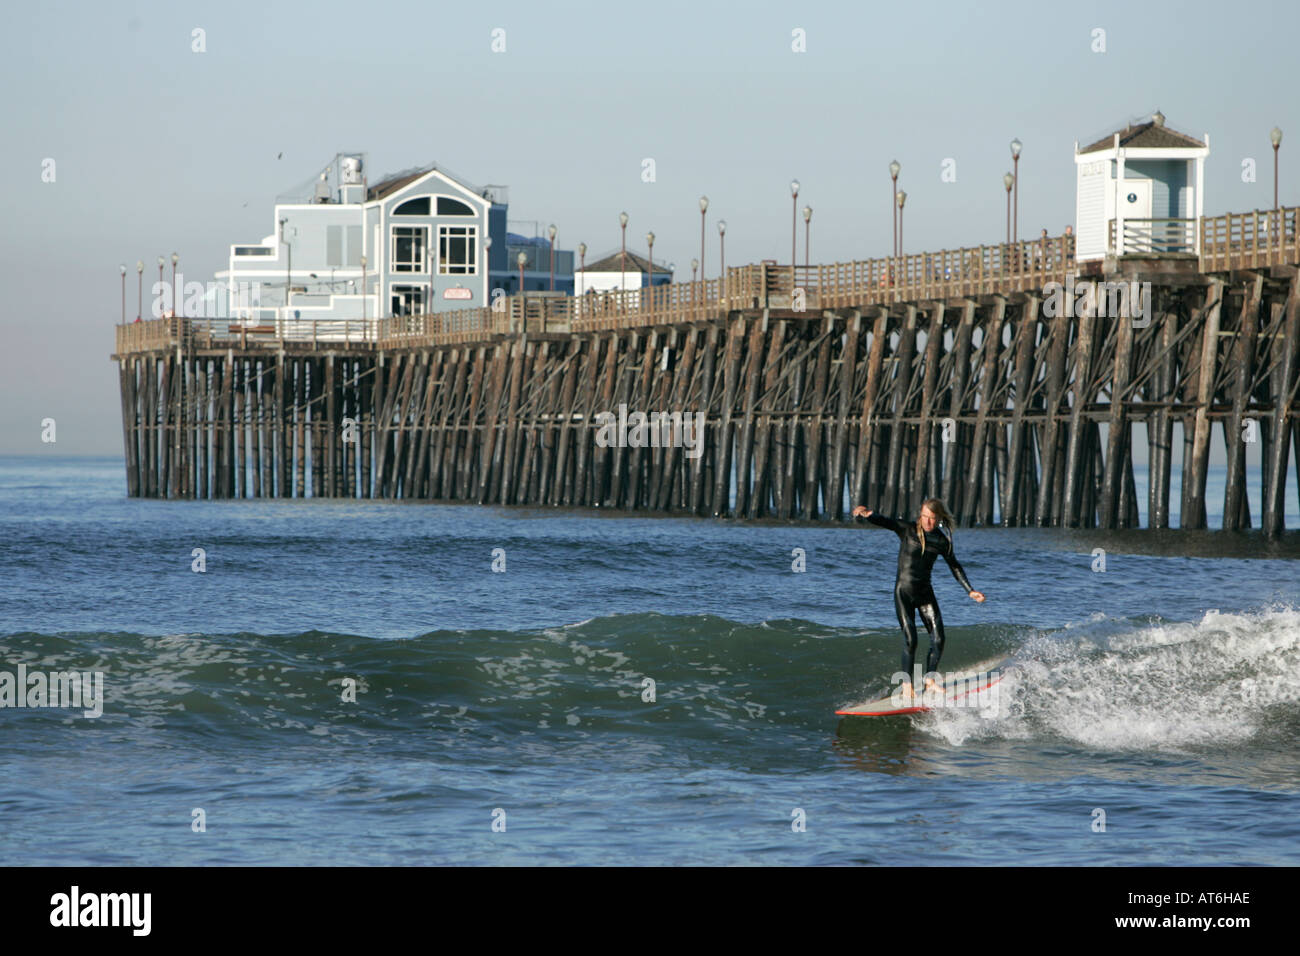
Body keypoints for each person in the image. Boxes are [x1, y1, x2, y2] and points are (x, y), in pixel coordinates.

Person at [851, 498, 986, 699]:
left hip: (925, 594)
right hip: (903, 593)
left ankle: (930, 680)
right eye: (924, 517)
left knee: (939, 638)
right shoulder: (907, 530)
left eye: (932, 518)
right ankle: (907, 685)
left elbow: (955, 566)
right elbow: (884, 521)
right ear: (920, 515)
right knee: (911, 639)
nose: (928, 522)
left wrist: (970, 590)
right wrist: (866, 513)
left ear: (939, 518)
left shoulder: (942, 541)